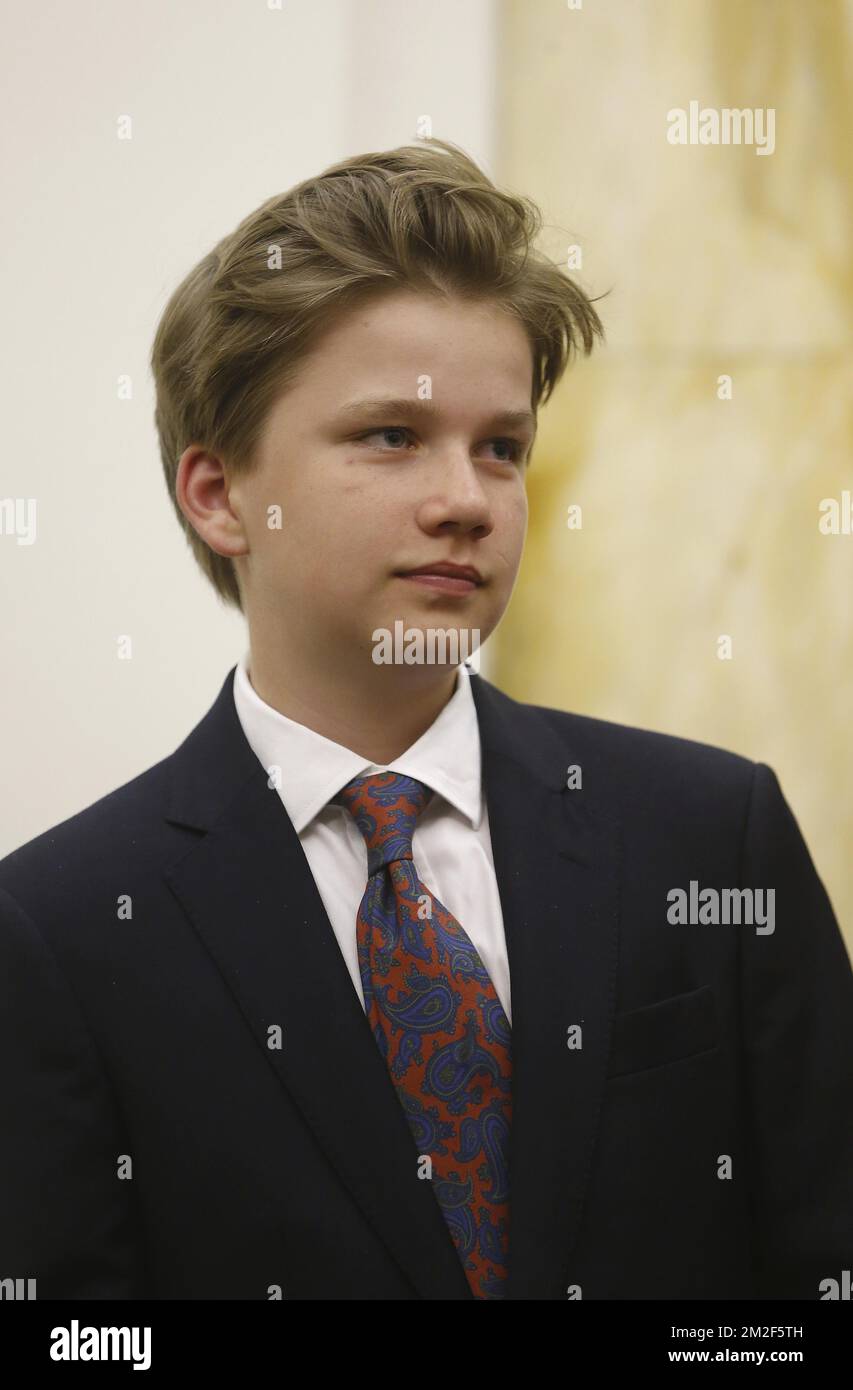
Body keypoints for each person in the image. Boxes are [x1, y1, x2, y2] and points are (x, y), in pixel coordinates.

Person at [1, 138, 851, 1302]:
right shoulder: (58, 926)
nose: (466, 500)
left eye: (500, 447)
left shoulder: (709, 833)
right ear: (220, 495)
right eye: (391, 437)